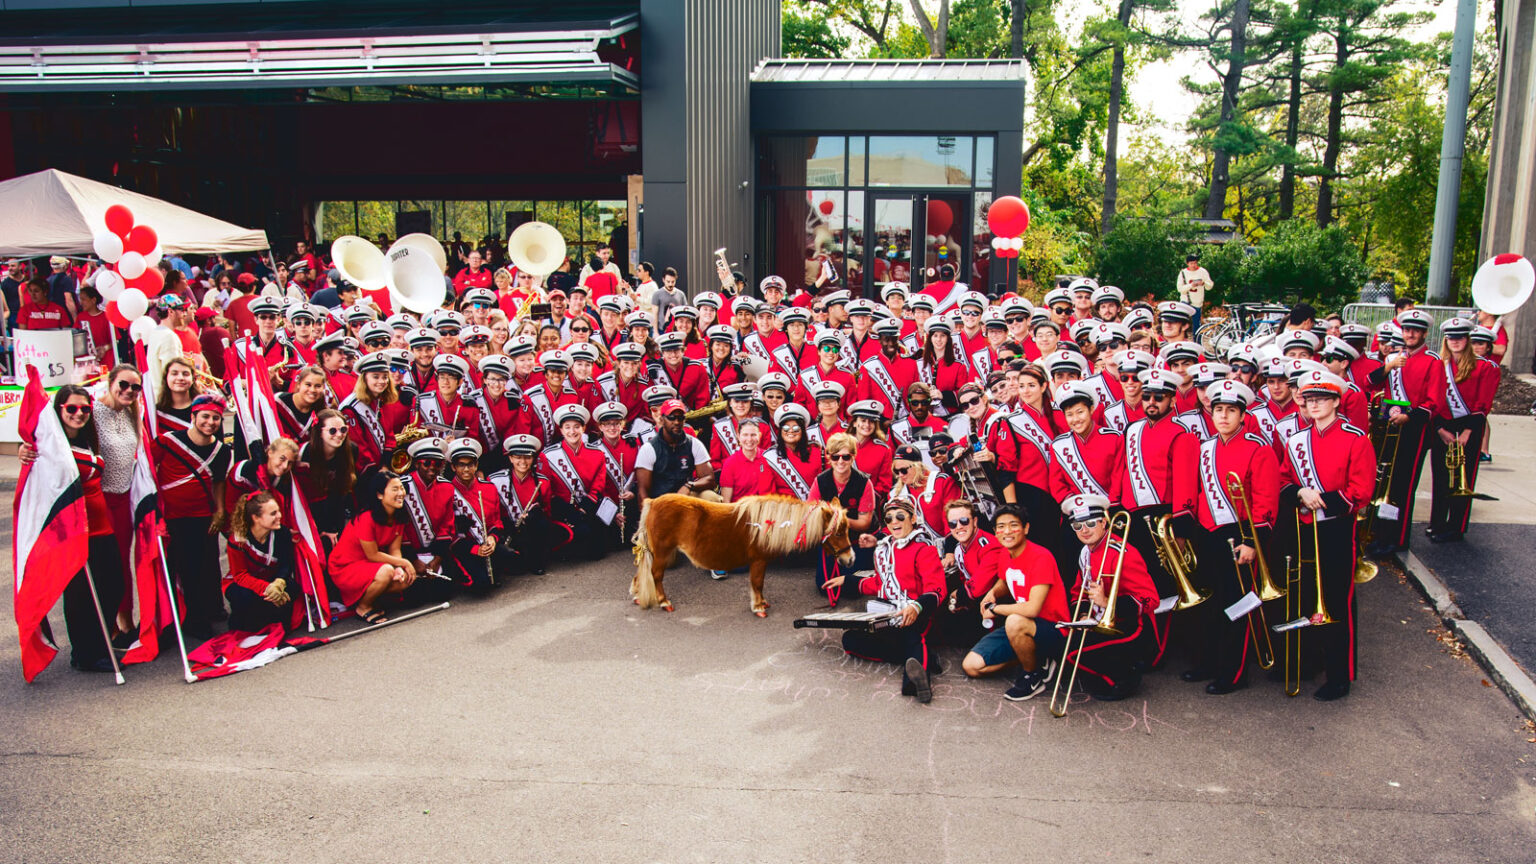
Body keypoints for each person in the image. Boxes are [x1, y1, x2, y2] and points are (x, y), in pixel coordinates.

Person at [1278, 369, 1376, 700]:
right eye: (1310, 399)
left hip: (1336, 527)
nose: (1315, 404)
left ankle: (1339, 675)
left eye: (1322, 399)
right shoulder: (1296, 440)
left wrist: (1321, 501)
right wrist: (1299, 493)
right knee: (1305, 598)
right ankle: (1307, 664)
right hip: (1304, 528)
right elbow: (1283, 481)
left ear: (1336, 401)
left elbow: (1362, 490)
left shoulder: (1356, 438)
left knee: (1337, 601)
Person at [1185, 380, 1279, 694]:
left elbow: (1266, 500)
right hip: (1209, 534)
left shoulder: (1258, 448)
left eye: (1231, 411)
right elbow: (1200, 493)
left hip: (1239, 535)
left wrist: (1252, 542)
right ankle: (1208, 662)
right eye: (1218, 410)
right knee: (1209, 604)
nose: (1223, 416)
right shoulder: (1206, 447)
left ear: (1242, 414)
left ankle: (1234, 672)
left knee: (1235, 605)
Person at [822, 497, 945, 703]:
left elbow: (937, 589)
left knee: (910, 636)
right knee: (850, 640)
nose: (894, 521)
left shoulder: (924, 549)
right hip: (888, 612)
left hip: (918, 615)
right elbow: (880, 584)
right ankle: (926, 659)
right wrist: (848, 580)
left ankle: (916, 684)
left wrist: (916, 607)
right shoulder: (884, 549)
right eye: (889, 518)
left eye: (900, 516)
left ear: (913, 518)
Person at [1056, 493, 1159, 701]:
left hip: (1132, 626)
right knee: (1060, 645)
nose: (1084, 530)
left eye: (1091, 523)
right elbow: (1078, 590)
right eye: (1077, 526)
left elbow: (1151, 599)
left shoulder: (1122, 552)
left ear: (1104, 522)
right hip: (1098, 620)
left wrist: (1107, 603)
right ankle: (1110, 669)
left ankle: (1125, 677)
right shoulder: (1085, 552)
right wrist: (1084, 612)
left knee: (1073, 655)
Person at [961, 503, 1069, 700]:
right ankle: (1035, 657)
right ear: (995, 531)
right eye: (1001, 526)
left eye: (1013, 525)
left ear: (1026, 528)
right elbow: (1006, 578)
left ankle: (1032, 673)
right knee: (972, 666)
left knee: (1013, 620)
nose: (1007, 531)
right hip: (1021, 626)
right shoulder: (1005, 552)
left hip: (1053, 628)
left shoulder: (1041, 556)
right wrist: (993, 592)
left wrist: (995, 608)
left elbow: (1033, 609)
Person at [51, 385, 125, 672]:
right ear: (59, 410)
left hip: (102, 528)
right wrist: (25, 451)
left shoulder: (87, 440)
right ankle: (84, 654)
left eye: (84, 408)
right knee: (81, 595)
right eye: (71, 408)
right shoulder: (51, 447)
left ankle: (100, 643)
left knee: (112, 586)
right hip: (75, 533)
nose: (79, 413)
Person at [152, 393, 230, 639]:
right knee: (184, 569)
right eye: (205, 416)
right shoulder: (166, 442)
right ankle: (192, 620)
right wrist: (155, 514)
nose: (210, 422)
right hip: (174, 518)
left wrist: (219, 511)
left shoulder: (221, 450)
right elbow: (148, 475)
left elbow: (218, 482)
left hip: (203, 516)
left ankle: (210, 610)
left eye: (216, 418)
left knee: (207, 566)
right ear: (193, 416)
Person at [1367, 309, 1444, 557]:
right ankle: (1380, 534)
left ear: (1423, 333)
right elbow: (1370, 383)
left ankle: (1397, 539)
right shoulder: (1395, 357)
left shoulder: (1432, 361)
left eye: (1415, 330)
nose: (1410, 334)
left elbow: (1434, 401)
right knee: (1383, 481)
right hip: (1389, 425)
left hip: (1413, 428)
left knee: (1402, 484)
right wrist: (1389, 366)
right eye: (1406, 330)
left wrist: (1408, 416)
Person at [1426, 318, 1498, 542]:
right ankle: (1437, 523)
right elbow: (1432, 399)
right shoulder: (1439, 365)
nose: (1455, 341)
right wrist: (1439, 429)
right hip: (1442, 427)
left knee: (1462, 478)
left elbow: (1482, 405)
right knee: (1440, 476)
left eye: (1460, 337)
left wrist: (1467, 433)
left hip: (1469, 428)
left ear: (1467, 339)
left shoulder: (1486, 367)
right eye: (1451, 337)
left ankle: (1455, 527)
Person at [327, 472, 419, 623]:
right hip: (344, 567)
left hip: (369, 565)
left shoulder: (398, 516)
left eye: (402, 488)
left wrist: (400, 568)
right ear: (379, 495)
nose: (401, 493)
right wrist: (404, 563)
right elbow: (373, 555)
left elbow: (395, 549)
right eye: (394, 489)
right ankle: (363, 606)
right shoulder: (366, 518)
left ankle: (371, 598)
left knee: (404, 579)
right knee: (388, 571)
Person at [538, 404, 614, 559]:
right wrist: (565, 509)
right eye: (567, 427)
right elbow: (546, 489)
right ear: (561, 430)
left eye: (576, 427)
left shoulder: (597, 454)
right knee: (580, 536)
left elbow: (598, 484)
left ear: (583, 428)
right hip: (562, 508)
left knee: (598, 550)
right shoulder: (548, 455)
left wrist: (585, 506)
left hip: (587, 505)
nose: (572, 431)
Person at [810, 432, 876, 599]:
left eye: (846, 457)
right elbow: (810, 514)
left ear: (853, 457)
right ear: (828, 457)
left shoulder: (864, 482)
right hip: (833, 540)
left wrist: (840, 520)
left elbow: (864, 523)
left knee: (852, 590)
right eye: (835, 456)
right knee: (824, 587)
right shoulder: (820, 481)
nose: (840, 461)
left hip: (858, 539)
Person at [223, 491, 297, 632]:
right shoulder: (238, 540)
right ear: (256, 518)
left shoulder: (282, 533)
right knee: (244, 596)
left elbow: (286, 564)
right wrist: (267, 588)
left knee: (292, 588)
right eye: (273, 514)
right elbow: (240, 575)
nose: (279, 516)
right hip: (243, 583)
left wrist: (279, 582)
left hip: (271, 580)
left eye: (278, 511)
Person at [636, 399, 717, 503]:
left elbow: (709, 478)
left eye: (680, 418)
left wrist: (689, 486)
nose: (677, 422)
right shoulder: (648, 449)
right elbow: (642, 491)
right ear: (662, 419)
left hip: (685, 497)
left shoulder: (694, 444)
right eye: (671, 418)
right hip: (659, 501)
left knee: (710, 497)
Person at [294, 408, 356, 543]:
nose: (339, 435)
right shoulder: (304, 454)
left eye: (343, 429)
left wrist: (333, 528)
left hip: (336, 511)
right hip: (308, 514)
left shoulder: (350, 450)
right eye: (332, 431)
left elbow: (340, 494)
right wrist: (323, 529)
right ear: (319, 433)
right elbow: (304, 496)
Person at [762, 404, 821, 499]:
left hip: (813, 509)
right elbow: (768, 496)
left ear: (803, 430)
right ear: (780, 431)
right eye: (785, 428)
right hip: (785, 510)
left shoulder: (816, 452)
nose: (790, 431)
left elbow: (824, 485)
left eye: (796, 428)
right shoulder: (770, 457)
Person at [1175, 254, 1210, 329]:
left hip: (1197, 302)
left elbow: (1210, 286)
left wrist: (1203, 283)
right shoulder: (1183, 273)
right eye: (1191, 263)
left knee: (1196, 325)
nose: (1193, 265)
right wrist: (1191, 285)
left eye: (1195, 263)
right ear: (1187, 264)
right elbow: (1180, 289)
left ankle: (1196, 339)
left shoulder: (1202, 271)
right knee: (1182, 324)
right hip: (1185, 301)